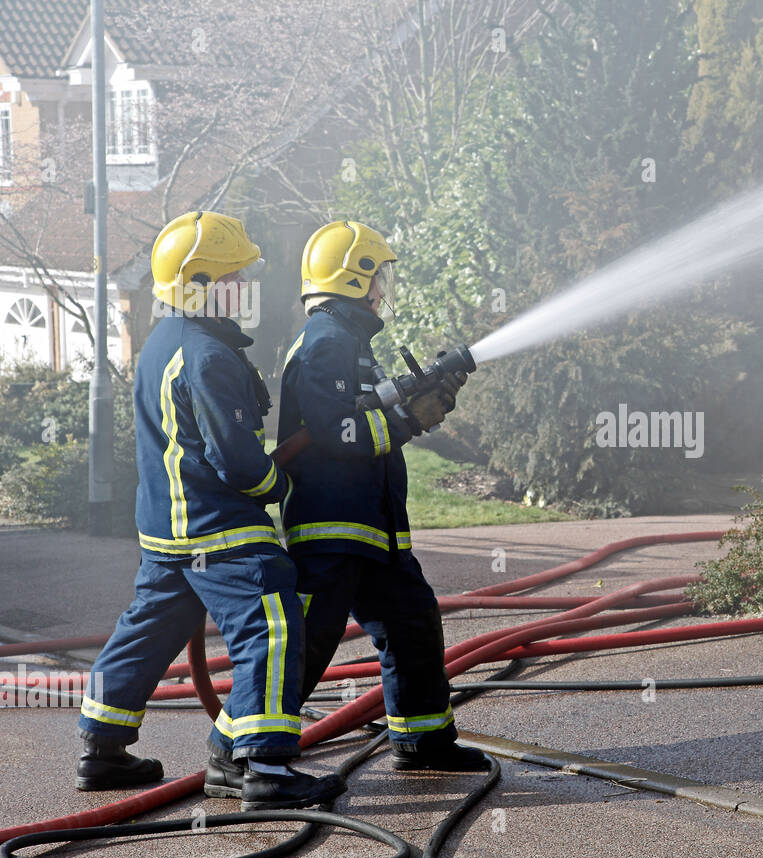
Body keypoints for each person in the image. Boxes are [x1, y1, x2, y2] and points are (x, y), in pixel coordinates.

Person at [76, 210, 344, 812]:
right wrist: (276, 482)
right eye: (234, 276)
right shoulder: (207, 355)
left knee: (147, 631)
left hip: (168, 531)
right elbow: (238, 462)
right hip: (219, 529)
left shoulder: (160, 345)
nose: (245, 287)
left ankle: (102, 746)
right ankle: (265, 767)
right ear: (200, 283)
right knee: (272, 624)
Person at [275, 219, 489, 773]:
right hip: (332, 527)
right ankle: (245, 750)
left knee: (412, 621)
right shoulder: (325, 343)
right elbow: (333, 431)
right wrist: (406, 422)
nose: (382, 292)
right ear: (351, 281)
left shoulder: (347, 343)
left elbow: (363, 413)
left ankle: (424, 741)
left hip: (370, 526)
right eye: (376, 279)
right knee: (310, 642)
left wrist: (416, 403)